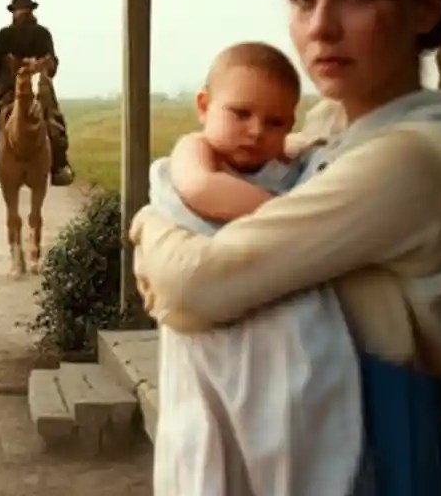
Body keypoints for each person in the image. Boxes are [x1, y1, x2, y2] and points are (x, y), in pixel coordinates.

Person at [130, 0, 441, 495]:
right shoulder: (331, 135)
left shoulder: (410, 157)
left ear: (426, 8)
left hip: (371, 456)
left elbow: (194, 286)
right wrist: (196, 157)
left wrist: (151, 214)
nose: (321, 28)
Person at [147, 41, 359, 496]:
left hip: (281, 353)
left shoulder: (298, 170)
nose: (256, 131)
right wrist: (291, 217)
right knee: (204, 455)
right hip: (204, 345)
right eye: (240, 113)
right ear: (204, 106)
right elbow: (200, 192)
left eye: (275, 121)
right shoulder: (188, 161)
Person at [0, 0, 73, 188]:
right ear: (14, 12)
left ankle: (59, 165)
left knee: (53, 119)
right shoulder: (4, 35)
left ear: (30, 11)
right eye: (19, 10)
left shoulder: (42, 34)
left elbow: (52, 61)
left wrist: (42, 66)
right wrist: (7, 74)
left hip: (38, 84)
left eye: (25, 9)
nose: (22, 13)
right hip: (9, 85)